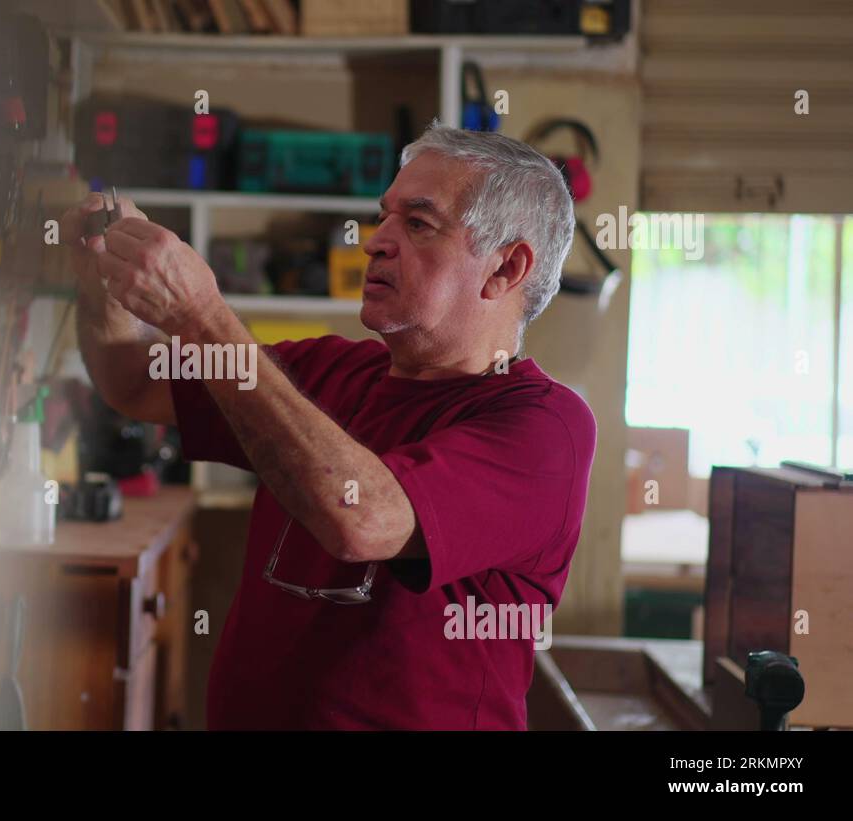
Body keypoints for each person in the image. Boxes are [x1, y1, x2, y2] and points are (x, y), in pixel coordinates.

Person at [62, 123, 597, 730]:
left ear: (506, 268)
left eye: (417, 223)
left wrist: (202, 316)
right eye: (383, 216)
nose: (376, 242)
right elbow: (133, 380)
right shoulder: (329, 369)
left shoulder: (545, 427)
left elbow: (364, 519)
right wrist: (102, 273)